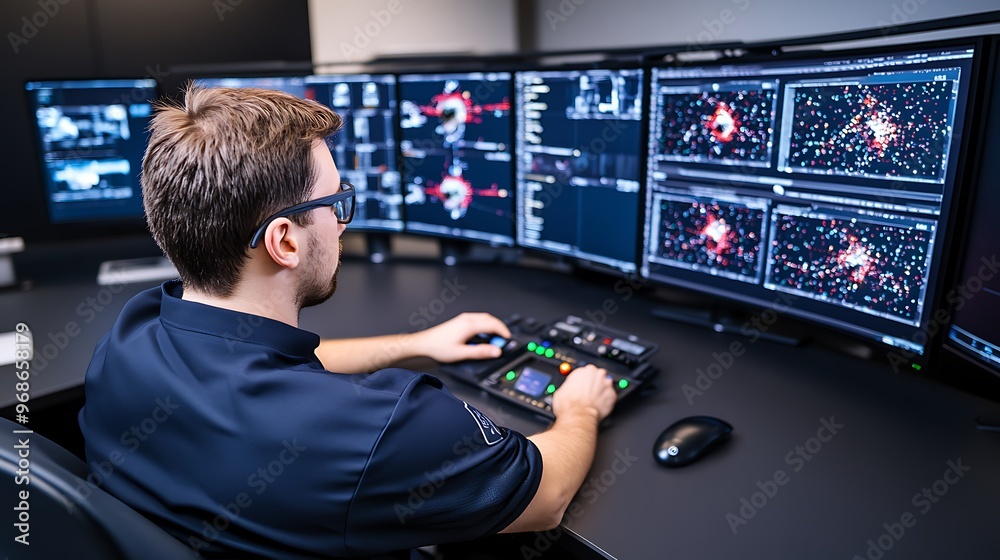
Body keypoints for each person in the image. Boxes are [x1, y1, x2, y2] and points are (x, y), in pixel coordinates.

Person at [79, 85, 617, 559]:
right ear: (284, 241)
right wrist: (579, 411)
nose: (340, 226)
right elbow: (544, 499)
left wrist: (417, 342)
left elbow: (267, 365)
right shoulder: (386, 430)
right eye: (336, 204)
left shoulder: (129, 337)